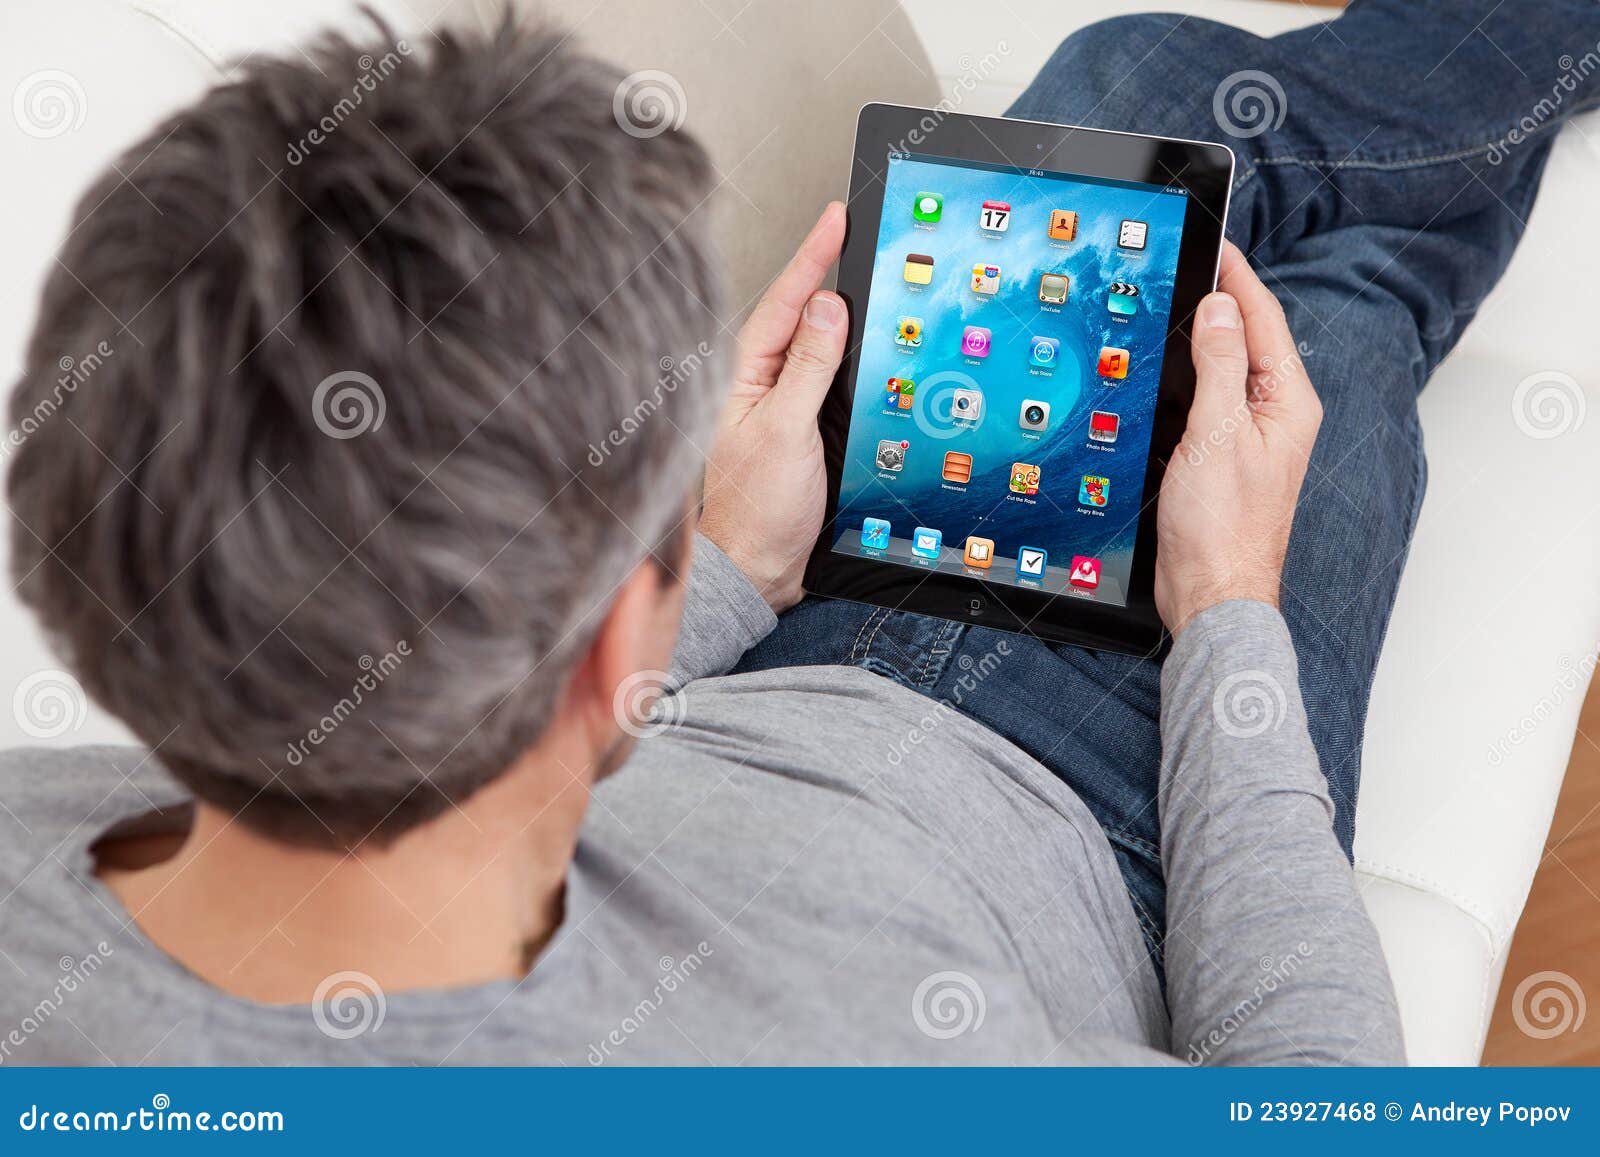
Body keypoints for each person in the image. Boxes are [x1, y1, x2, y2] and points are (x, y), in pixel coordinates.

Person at [0, 1, 1592, 1065]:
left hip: (778, 647)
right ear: (616, 622)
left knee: (1125, 98)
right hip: (1123, 800)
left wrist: (728, 569)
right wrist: (1230, 609)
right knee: (1341, 307)